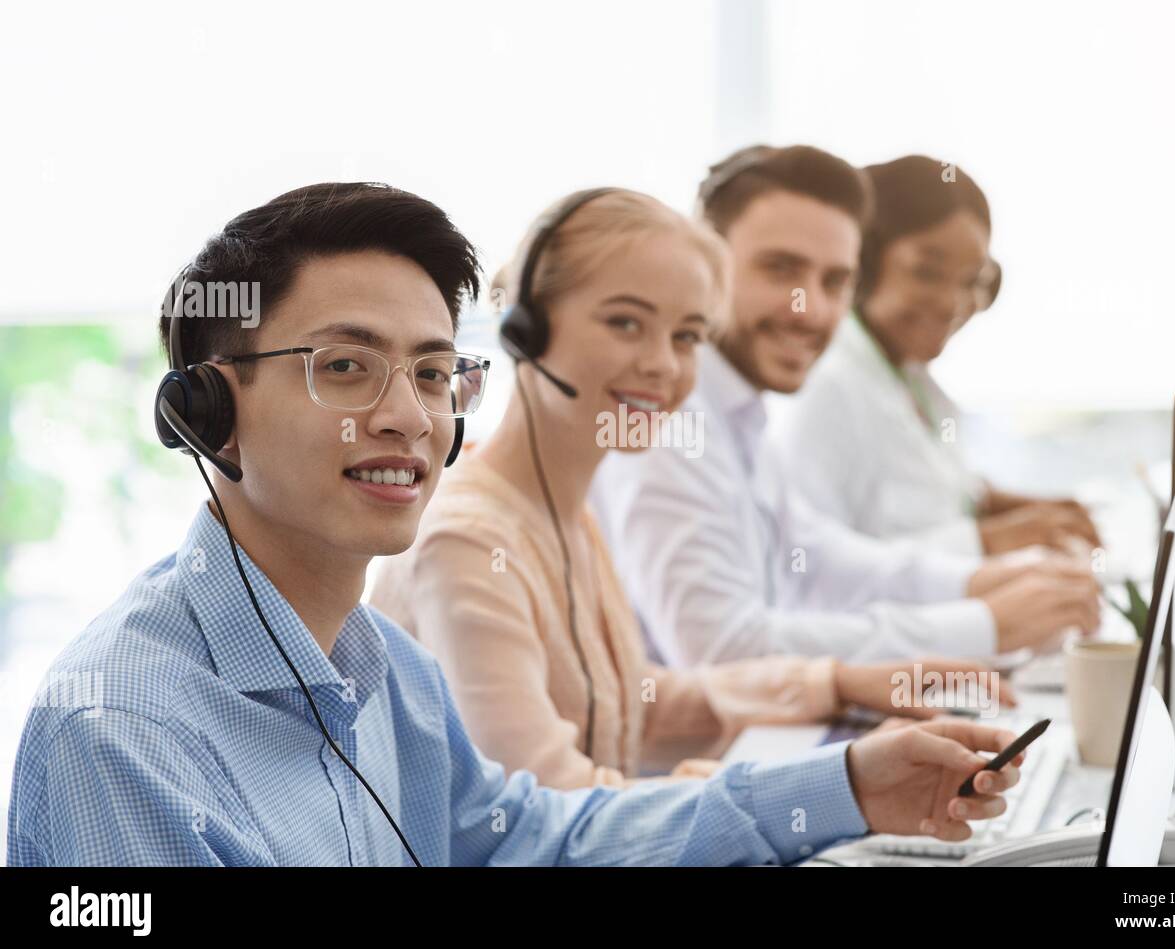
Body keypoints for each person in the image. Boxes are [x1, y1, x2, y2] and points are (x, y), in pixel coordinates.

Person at [7, 182, 1022, 866]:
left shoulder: (385, 672)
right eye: (346, 364)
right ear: (208, 411)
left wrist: (844, 785)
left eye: (436, 370)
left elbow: (544, 832)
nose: (410, 413)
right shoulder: (124, 735)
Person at [371, 188, 1015, 789]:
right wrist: (835, 785)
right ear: (526, 330)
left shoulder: (564, 515)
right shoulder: (469, 544)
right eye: (626, 323)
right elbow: (545, 808)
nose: (664, 365)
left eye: (687, 337)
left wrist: (840, 683)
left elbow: (628, 705)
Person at [592, 146, 1101, 669]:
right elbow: (722, 652)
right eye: (779, 269)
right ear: (702, 264)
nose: (809, 309)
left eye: (835, 282)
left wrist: (979, 579)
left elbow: (818, 559)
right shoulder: (667, 418)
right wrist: (985, 623)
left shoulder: (739, 412)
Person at [770, 155, 1101, 556]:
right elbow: (812, 567)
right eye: (927, 272)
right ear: (863, 263)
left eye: (971, 281)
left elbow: (939, 494)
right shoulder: (825, 388)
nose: (952, 304)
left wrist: (1032, 511)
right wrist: (990, 541)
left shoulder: (912, 380)